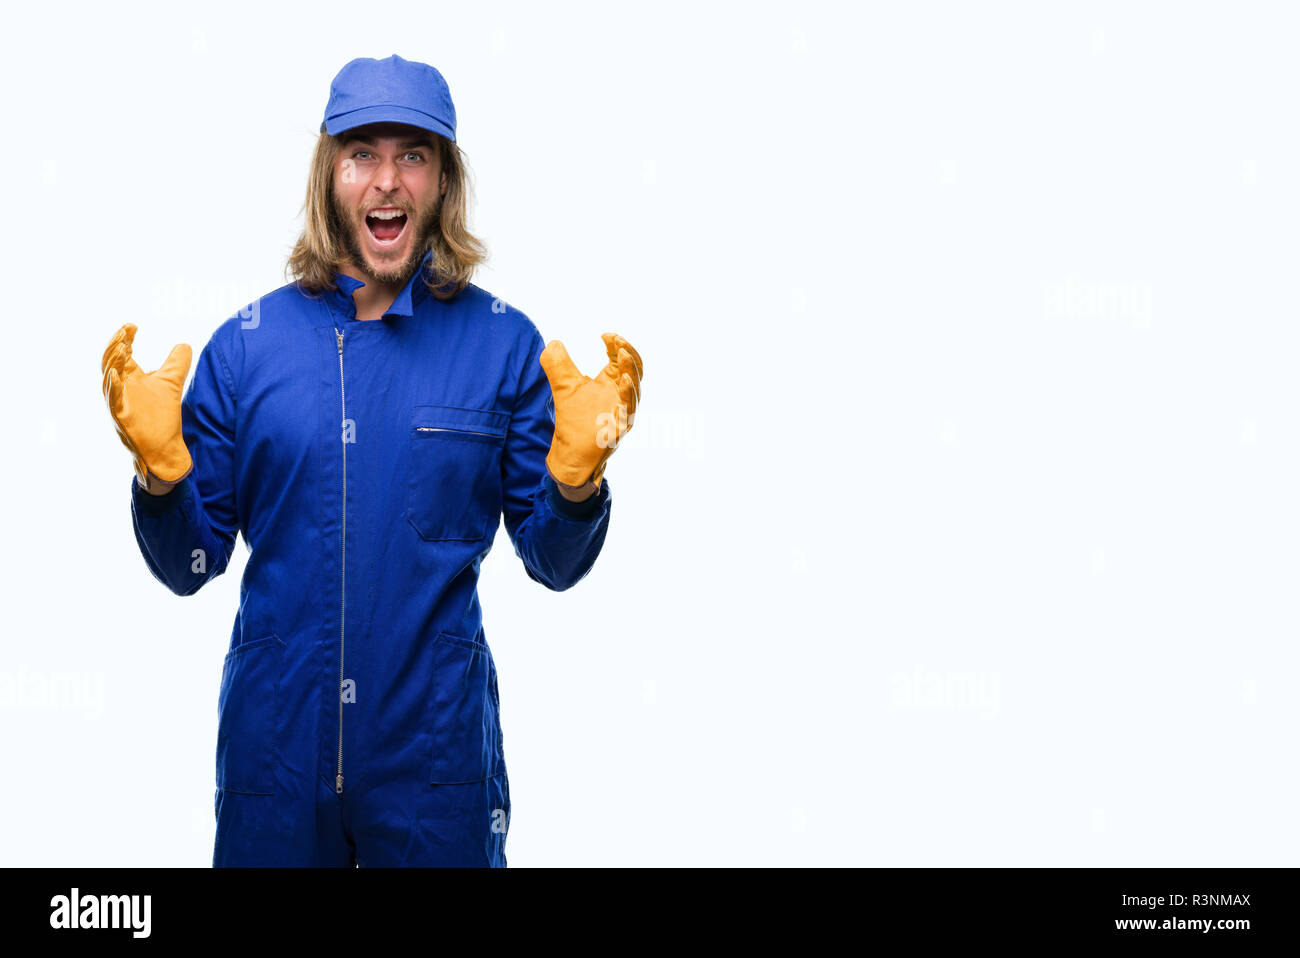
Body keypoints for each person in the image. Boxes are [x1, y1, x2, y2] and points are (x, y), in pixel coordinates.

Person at [99, 54, 643, 867]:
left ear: (444, 182)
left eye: (413, 156)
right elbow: (188, 566)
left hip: (438, 768)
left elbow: (554, 566)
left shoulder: (504, 346)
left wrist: (575, 484)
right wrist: (160, 480)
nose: (387, 181)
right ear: (329, 176)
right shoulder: (245, 350)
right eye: (362, 155)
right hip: (274, 760)